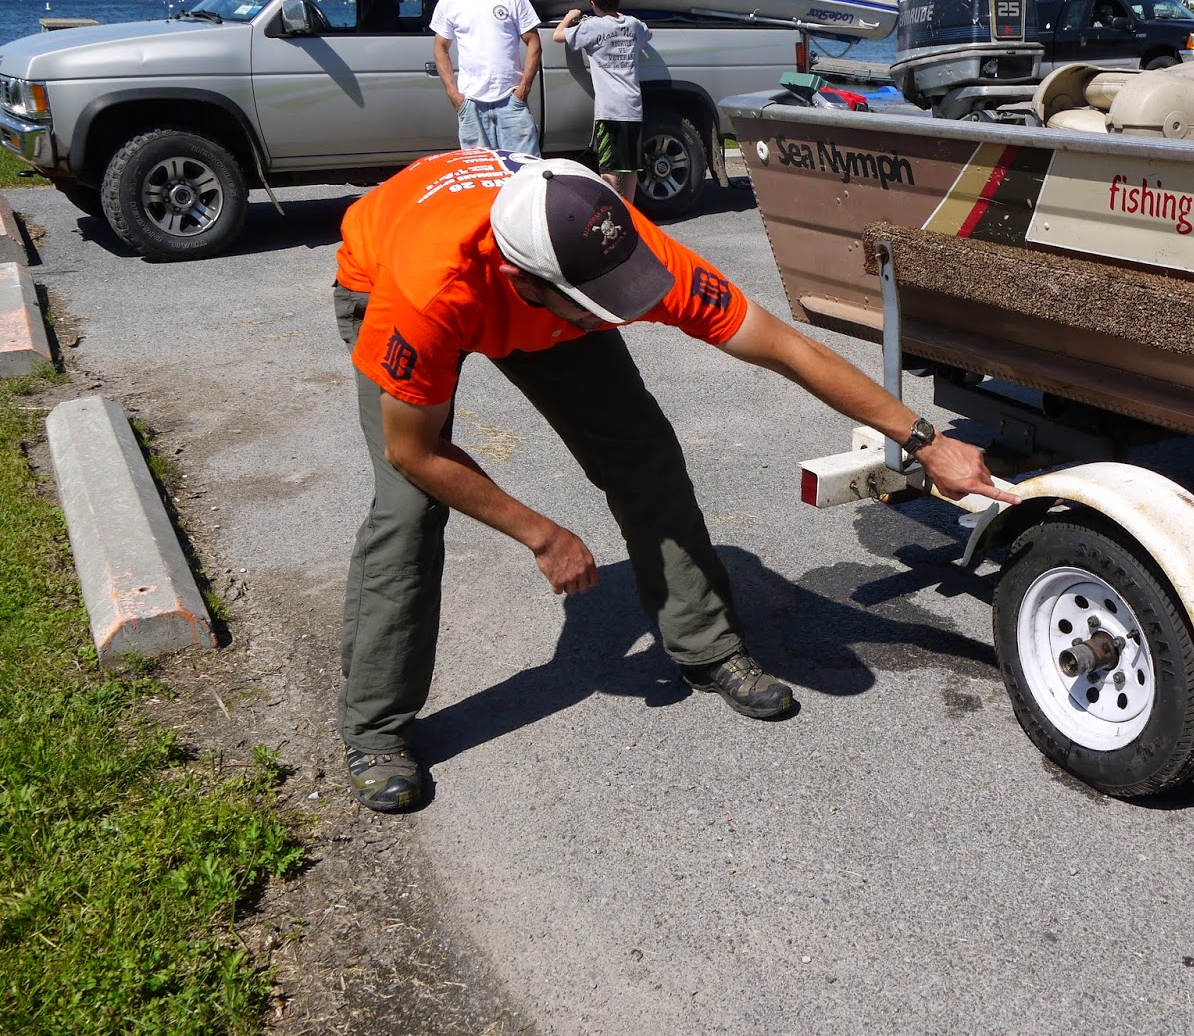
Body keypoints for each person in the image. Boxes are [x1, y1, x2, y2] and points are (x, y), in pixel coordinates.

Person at [333, 149, 1019, 813]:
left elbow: (783, 346)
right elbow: (412, 450)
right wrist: (540, 534)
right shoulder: (427, 290)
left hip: (542, 293)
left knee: (645, 457)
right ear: (527, 286)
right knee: (411, 510)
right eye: (603, 301)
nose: (626, 309)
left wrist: (922, 439)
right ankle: (375, 728)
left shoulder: (610, 248)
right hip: (386, 277)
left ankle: (707, 645)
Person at [553, 0, 650, 201]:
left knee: (609, 166)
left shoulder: (591, 27)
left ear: (593, 3)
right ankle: (630, 210)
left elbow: (558, 36)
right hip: (633, 106)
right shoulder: (633, 24)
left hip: (609, 109)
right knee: (630, 165)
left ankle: (612, 210)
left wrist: (569, 17)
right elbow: (647, 34)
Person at [430, 0, 542, 153]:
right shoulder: (449, 0)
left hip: (512, 101)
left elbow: (534, 42)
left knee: (525, 170)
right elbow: (440, 47)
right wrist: (454, 94)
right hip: (471, 103)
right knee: (480, 171)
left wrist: (523, 89)